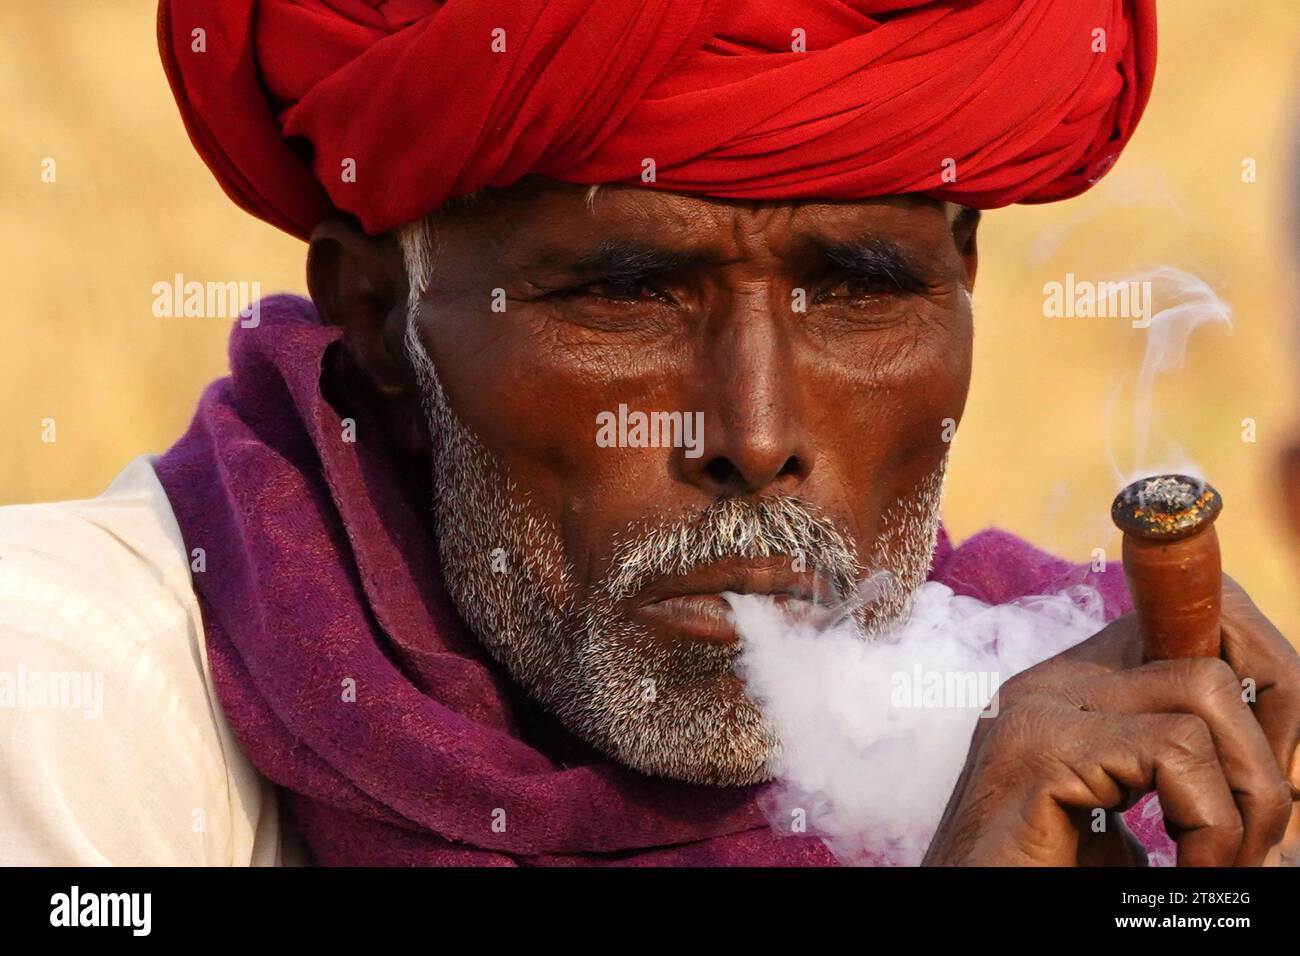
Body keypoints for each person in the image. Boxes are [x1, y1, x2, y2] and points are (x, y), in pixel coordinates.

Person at [1, 0, 1295, 867]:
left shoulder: (1074, 755)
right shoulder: (76, 699)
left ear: (965, 279)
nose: (757, 433)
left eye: (857, 290)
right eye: (624, 294)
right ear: (381, 322)